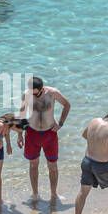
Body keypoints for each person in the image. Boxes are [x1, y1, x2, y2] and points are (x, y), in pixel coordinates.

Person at [17, 76, 71, 206]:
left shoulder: (52, 93)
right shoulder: (27, 94)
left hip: (50, 133)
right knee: (33, 165)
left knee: (52, 166)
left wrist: (61, 123)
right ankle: (35, 194)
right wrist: (19, 135)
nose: (32, 95)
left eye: (35, 92)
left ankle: (54, 194)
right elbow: (22, 114)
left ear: (41, 88)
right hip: (32, 133)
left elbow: (67, 105)